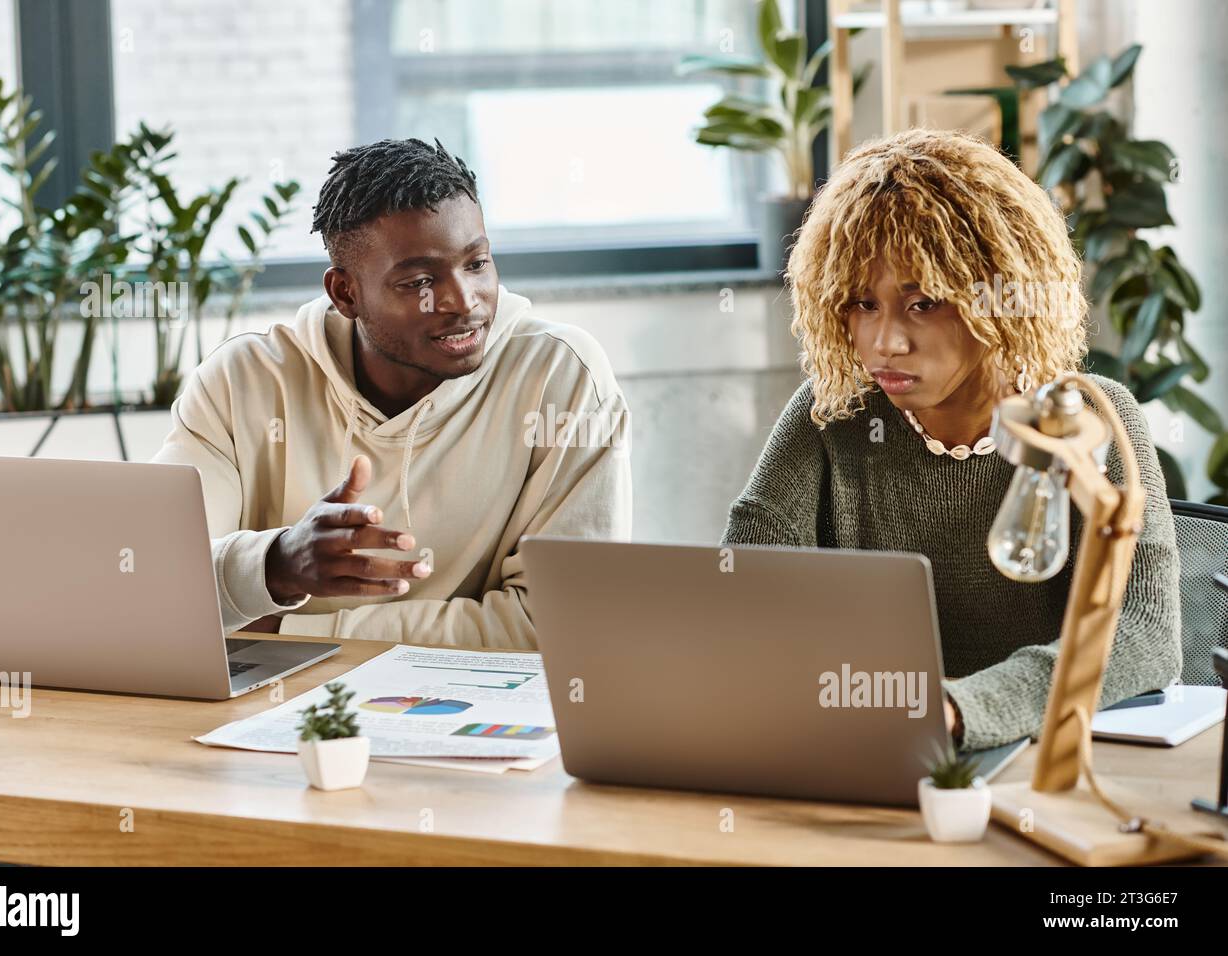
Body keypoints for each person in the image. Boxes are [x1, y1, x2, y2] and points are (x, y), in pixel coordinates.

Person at [723, 129, 1181, 750]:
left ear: (1000, 298)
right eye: (862, 304)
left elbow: (1145, 635)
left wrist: (958, 711)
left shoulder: (1090, 419)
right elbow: (743, 588)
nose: (885, 342)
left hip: (1027, 754)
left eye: (923, 304)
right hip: (859, 746)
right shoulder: (831, 412)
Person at [153, 138, 632, 647]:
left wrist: (286, 627)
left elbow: (562, 626)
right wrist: (278, 564)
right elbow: (155, 579)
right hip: (277, 693)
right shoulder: (241, 380)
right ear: (346, 293)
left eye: (476, 264)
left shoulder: (561, 374)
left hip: (471, 695)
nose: (463, 301)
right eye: (420, 280)